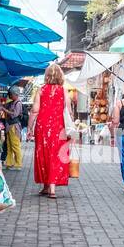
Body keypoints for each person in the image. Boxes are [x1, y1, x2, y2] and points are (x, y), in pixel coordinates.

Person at [30, 63, 74, 199]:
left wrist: (30, 127)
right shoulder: (63, 90)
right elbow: (69, 111)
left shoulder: (41, 90)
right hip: (59, 127)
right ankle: (50, 188)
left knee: (43, 154)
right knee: (56, 155)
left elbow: (35, 110)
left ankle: (47, 186)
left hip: (43, 127)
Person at [3, 85, 25, 170]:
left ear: (16, 94)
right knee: (9, 145)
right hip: (10, 126)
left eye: (11, 94)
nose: (10, 96)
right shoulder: (13, 102)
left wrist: (6, 111)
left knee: (15, 146)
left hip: (14, 127)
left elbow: (14, 115)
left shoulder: (18, 103)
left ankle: (18, 164)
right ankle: (9, 163)